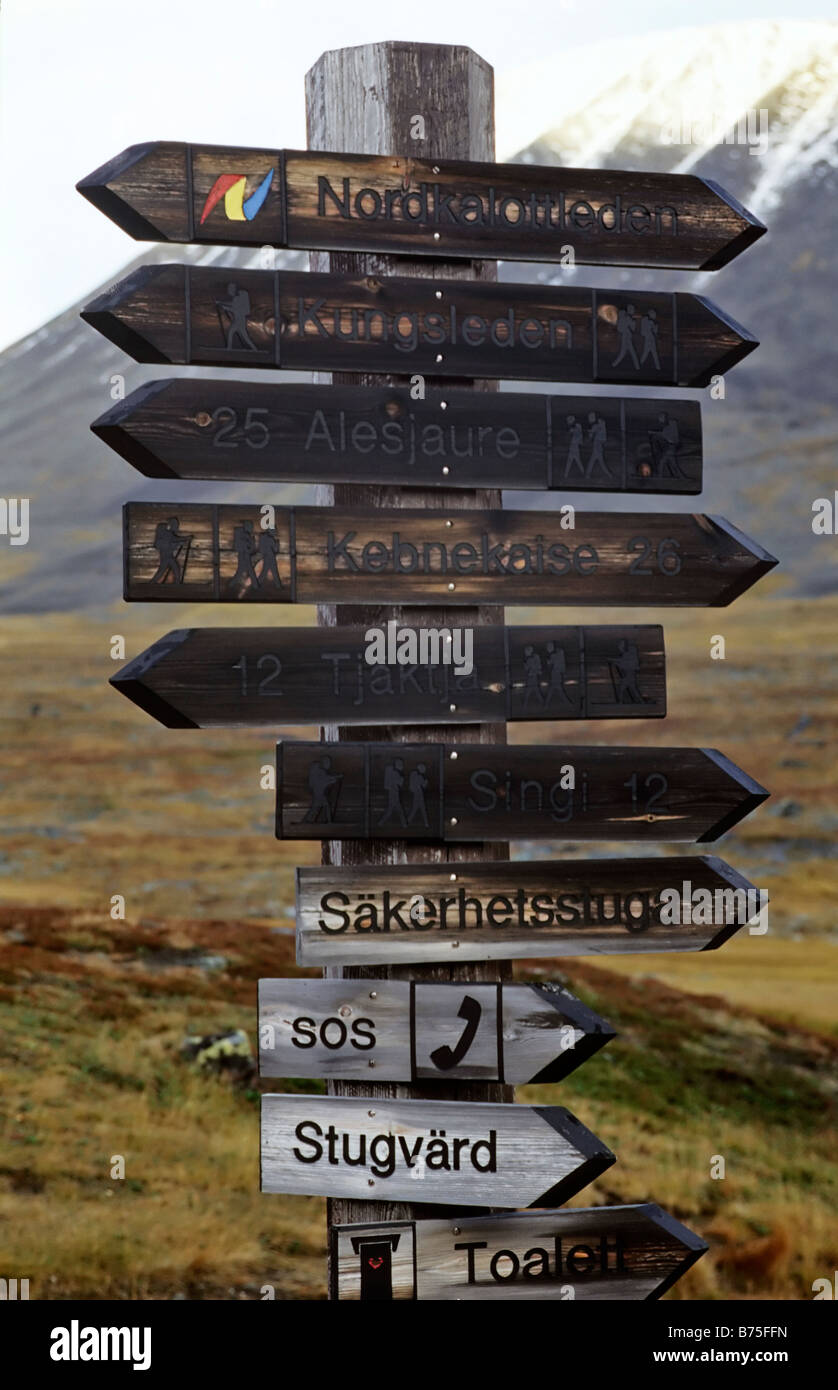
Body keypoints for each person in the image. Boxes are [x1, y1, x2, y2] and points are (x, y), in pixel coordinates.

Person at [217, 282, 257, 350]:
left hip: (240, 320)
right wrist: (220, 302)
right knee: (242, 335)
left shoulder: (241, 297)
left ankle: (229, 348)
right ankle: (254, 349)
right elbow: (231, 304)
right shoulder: (236, 298)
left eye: (230, 289)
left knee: (233, 333)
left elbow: (235, 309)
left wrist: (225, 307)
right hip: (237, 320)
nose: (229, 291)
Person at [151, 516, 191, 584]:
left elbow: (175, 540)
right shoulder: (167, 534)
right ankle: (153, 582)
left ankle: (176, 582)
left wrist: (184, 540)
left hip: (168, 555)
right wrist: (186, 538)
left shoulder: (168, 534)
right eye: (175, 524)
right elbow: (176, 539)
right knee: (169, 569)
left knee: (168, 569)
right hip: (166, 556)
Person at [303, 756, 341, 822]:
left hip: (319, 794)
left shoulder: (321, 772)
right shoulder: (321, 772)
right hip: (319, 795)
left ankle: (329, 822)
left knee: (323, 807)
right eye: (327, 763)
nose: (329, 765)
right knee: (315, 809)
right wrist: (336, 777)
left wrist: (335, 779)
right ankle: (306, 822)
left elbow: (327, 780)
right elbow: (327, 779)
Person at [378, 758, 407, 826]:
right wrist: (402, 777)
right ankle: (404, 824)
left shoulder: (394, 772)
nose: (402, 766)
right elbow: (400, 783)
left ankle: (380, 823)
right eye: (401, 764)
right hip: (394, 792)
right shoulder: (396, 773)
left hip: (392, 792)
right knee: (397, 810)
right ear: (398, 765)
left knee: (391, 810)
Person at [612, 303, 639, 369]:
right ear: (629, 310)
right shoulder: (627, 317)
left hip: (626, 336)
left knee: (625, 353)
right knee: (629, 352)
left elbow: (630, 328)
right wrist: (633, 322)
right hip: (626, 337)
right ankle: (637, 366)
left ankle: (637, 366)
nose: (633, 311)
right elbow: (632, 328)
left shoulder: (625, 317)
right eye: (632, 309)